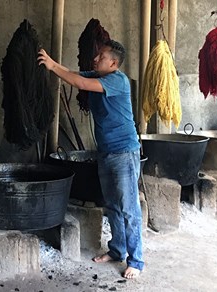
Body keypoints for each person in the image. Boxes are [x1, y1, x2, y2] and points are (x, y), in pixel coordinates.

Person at [38, 39, 144, 279]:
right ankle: (117, 251)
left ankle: (136, 261)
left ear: (114, 63)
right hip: (106, 152)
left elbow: (80, 82)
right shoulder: (99, 75)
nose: (95, 59)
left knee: (128, 208)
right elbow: (75, 74)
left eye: (101, 56)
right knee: (111, 205)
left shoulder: (118, 80)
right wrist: (54, 66)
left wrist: (53, 66)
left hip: (124, 152)